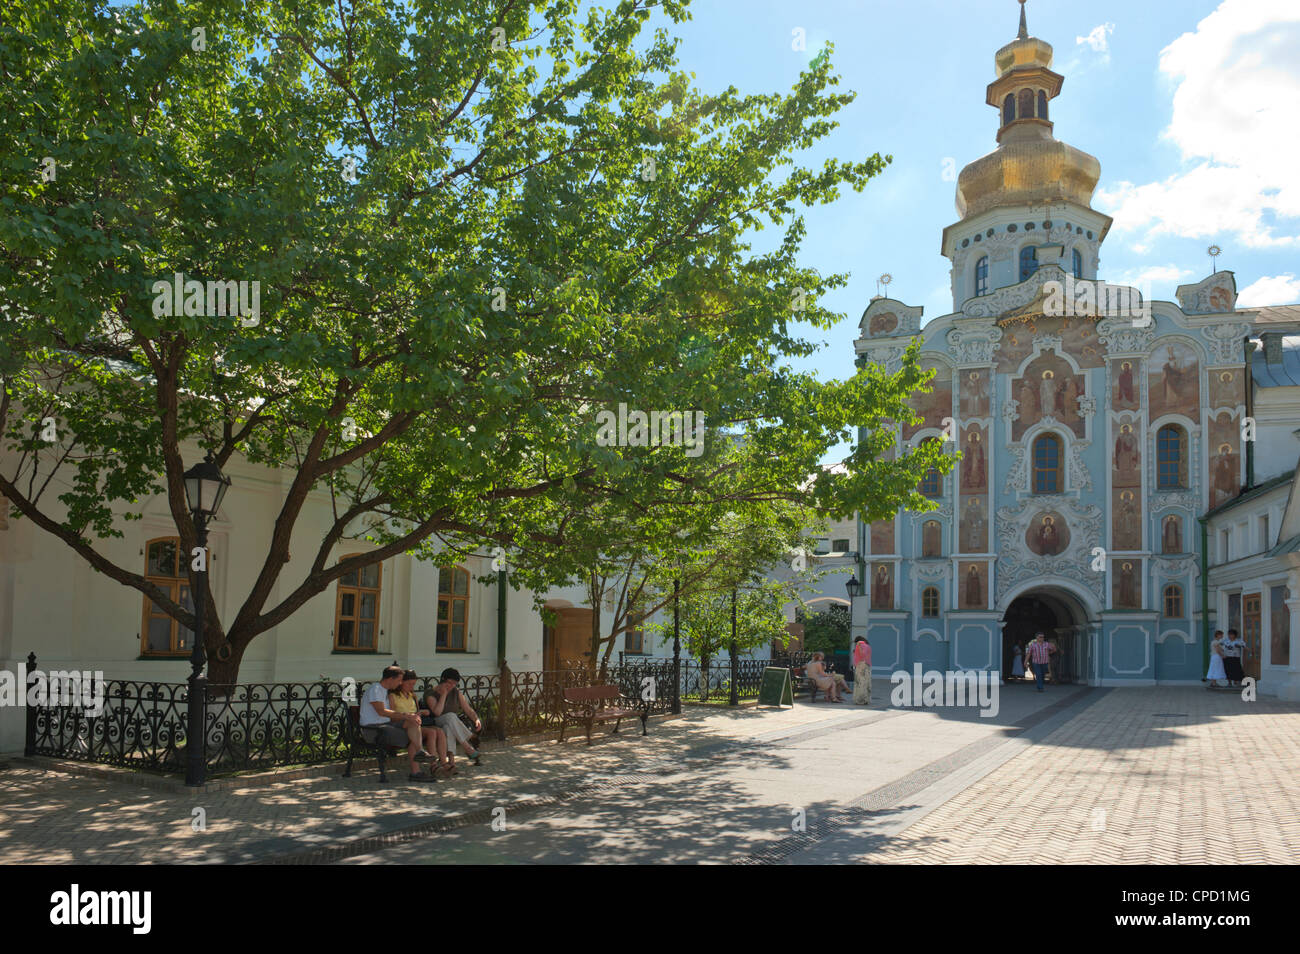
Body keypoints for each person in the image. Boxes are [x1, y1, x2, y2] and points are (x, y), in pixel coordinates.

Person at [359, 665, 435, 782]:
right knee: (412, 737)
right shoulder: (376, 689)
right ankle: (416, 772)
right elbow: (381, 711)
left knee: (413, 722)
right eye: (399, 680)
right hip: (374, 730)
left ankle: (420, 752)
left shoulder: (384, 691)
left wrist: (411, 717)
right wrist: (406, 715)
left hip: (386, 726)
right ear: (390, 679)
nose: (400, 683)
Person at [390, 670, 450, 777]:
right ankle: (433, 765)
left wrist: (421, 712)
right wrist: (408, 716)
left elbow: (416, 713)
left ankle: (443, 764)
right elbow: (392, 716)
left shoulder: (413, 696)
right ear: (401, 682)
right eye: (409, 684)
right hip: (402, 726)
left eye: (413, 684)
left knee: (438, 731)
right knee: (431, 732)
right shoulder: (393, 696)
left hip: (416, 725)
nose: (411, 686)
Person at [427, 668, 484, 769]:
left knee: (449, 727)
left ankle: (452, 763)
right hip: (435, 722)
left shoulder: (456, 692)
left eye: (454, 684)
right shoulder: (430, 693)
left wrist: (476, 719)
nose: (452, 686)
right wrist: (444, 694)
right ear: (443, 680)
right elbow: (437, 712)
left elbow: (467, 709)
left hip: (450, 725)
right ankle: (468, 745)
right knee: (451, 716)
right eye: (449, 683)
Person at [852, 637, 872, 705]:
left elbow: (862, 654)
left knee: (859, 682)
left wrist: (859, 646)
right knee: (866, 682)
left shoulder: (860, 644)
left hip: (861, 664)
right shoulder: (868, 646)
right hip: (867, 665)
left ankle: (860, 700)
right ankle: (866, 699)